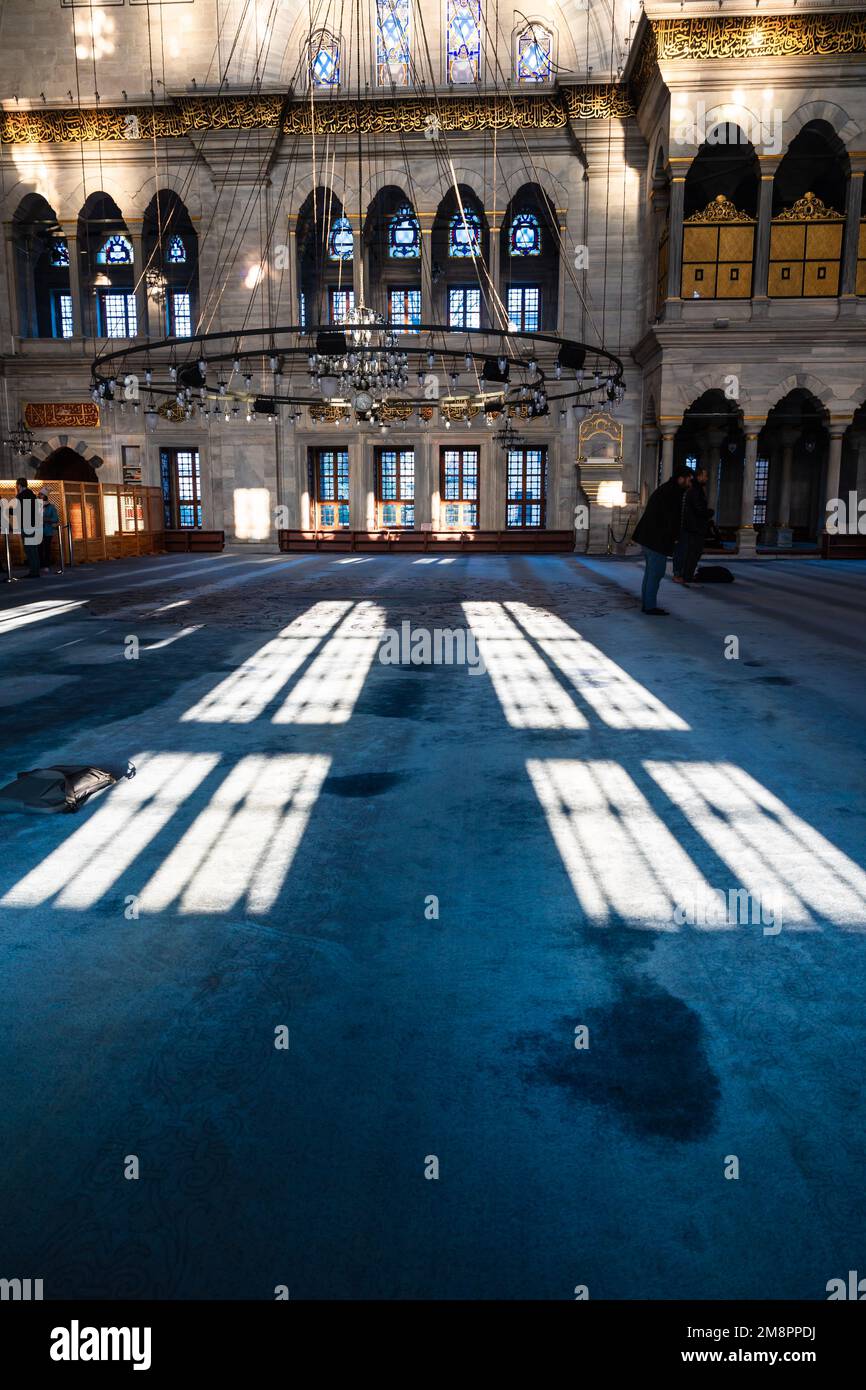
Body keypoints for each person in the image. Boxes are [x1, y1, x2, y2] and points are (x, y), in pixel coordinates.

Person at [632, 465, 693, 615]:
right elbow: (669, 520)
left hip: (650, 538)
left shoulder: (668, 489)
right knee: (656, 573)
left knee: (651, 573)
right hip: (655, 540)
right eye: (688, 480)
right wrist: (674, 539)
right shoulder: (672, 493)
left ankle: (648, 604)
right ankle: (649, 607)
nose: (690, 484)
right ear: (681, 479)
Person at [674, 464, 714, 586]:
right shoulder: (695, 490)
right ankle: (687, 576)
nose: (707, 478)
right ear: (699, 476)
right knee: (692, 553)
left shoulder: (694, 489)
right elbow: (698, 510)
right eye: (705, 476)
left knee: (691, 553)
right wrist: (710, 512)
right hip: (694, 528)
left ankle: (686, 575)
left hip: (692, 527)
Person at [14, 477, 41, 579]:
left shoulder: (21, 496)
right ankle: (36, 571)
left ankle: (33, 572)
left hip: (26, 525)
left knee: (29, 549)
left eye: (17, 485)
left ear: (19, 485)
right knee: (34, 549)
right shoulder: (33, 496)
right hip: (34, 525)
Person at [38, 489, 60, 572]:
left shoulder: (51, 507)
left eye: (41, 495)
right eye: (39, 495)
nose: (39, 496)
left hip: (47, 530)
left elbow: (55, 519)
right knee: (39, 548)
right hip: (38, 530)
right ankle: (40, 564)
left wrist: (46, 519)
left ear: (45, 496)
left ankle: (47, 564)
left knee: (47, 548)